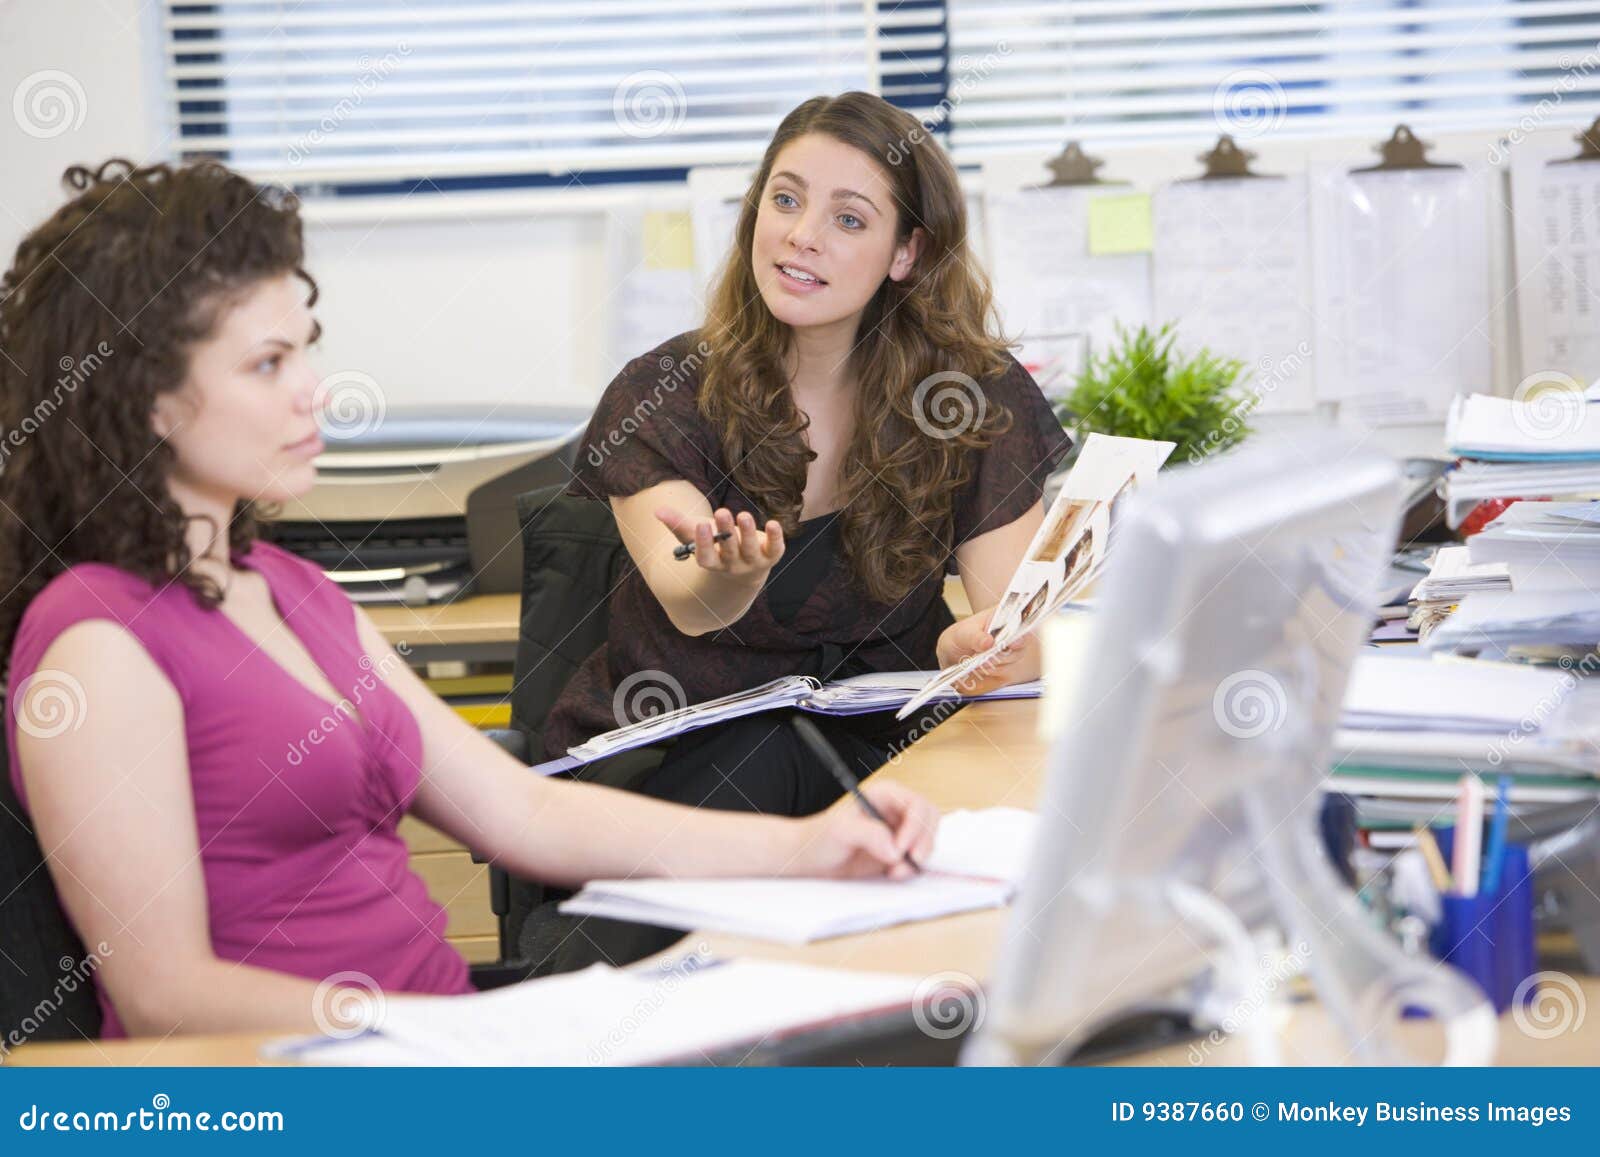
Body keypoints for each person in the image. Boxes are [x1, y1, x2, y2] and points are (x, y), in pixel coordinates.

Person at [0, 159, 940, 1040]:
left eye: (305, 354)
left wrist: (814, 847)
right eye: (267, 364)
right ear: (148, 399)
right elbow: (165, 995)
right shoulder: (97, 643)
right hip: (334, 1074)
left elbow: (522, 813)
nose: (314, 393)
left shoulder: (290, 591)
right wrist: (454, 1041)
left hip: (440, 1041)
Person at [546, 91, 1072, 816]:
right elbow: (691, 604)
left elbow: (1024, 633)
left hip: (881, 746)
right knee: (773, 755)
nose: (801, 236)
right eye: (785, 200)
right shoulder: (661, 392)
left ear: (907, 252)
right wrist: (730, 578)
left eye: (848, 219)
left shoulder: (969, 397)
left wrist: (978, 654)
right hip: (675, 760)